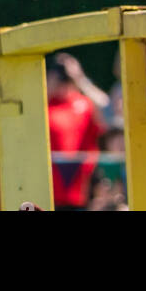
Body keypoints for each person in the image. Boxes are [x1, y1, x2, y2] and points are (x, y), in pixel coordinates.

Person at [46, 55, 105, 210]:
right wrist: (46, 88)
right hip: (50, 189)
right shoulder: (45, 105)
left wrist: (80, 79)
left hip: (82, 189)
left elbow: (108, 112)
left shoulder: (85, 104)